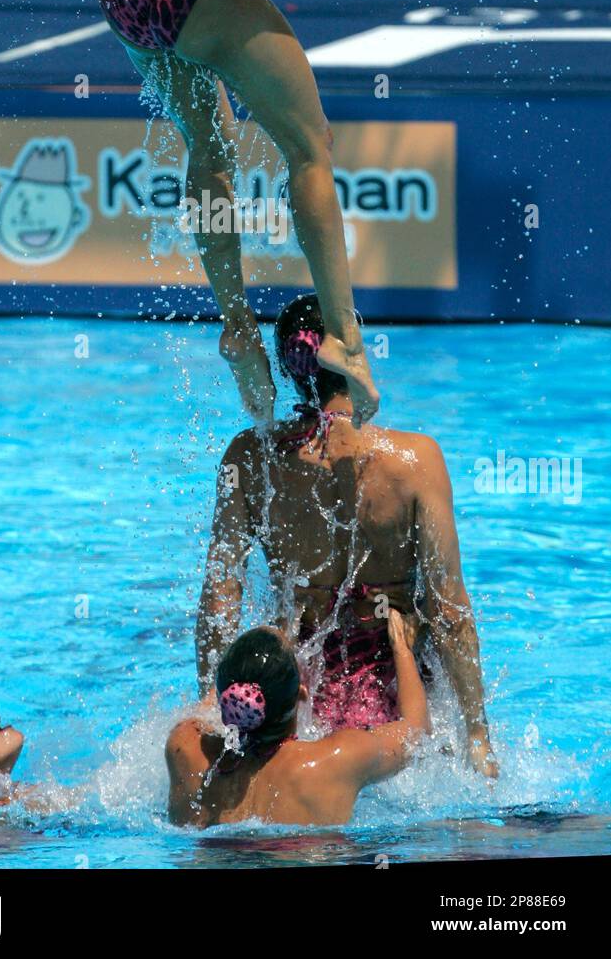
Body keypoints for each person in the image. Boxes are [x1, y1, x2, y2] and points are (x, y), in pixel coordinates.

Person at [0, 0, 424, 425]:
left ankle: (238, 328)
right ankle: (346, 341)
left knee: (209, 150)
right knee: (308, 146)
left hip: (127, 3)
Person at [196, 293, 498, 779]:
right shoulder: (416, 461)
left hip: (295, 699)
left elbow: (220, 594)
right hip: (399, 700)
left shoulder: (251, 457)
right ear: (353, 357)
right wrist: (477, 736)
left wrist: (211, 706)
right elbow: (450, 608)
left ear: (287, 365)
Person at [166, 619, 430, 827]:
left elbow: (208, 705)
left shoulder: (185, 748)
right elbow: (417, 732)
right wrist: (402, 646)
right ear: (302, 694)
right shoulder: (336, 760)